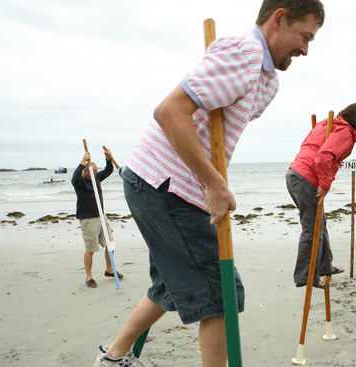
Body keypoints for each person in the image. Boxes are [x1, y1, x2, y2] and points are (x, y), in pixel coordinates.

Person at [92, 1, 325, 366]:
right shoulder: (244, 54)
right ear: (279, 18)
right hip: (164, 184)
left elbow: (214, 117)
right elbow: (169, 110)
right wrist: (215, 184)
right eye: (304, 36)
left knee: (169, 283)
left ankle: (114, 357)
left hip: (160, 183)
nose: (306, 49)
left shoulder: (266, 78)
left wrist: (210, 183)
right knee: (221, 292)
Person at [286, 103, 356, 288]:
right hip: (306, 178)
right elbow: (323, 157)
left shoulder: (327, 125)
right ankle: (305, 277)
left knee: (319, 224)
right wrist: (325, 184)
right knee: (312, 230)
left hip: (295, 175)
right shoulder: (344, 131)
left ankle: (324, 266)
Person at [71, 149, 123, 288]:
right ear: (85, 172)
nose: (95, 174)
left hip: (102, 217)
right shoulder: (80, 182)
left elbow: (108, 170)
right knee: (91, 249)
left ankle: (109, 269)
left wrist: (108, 158)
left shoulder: (97, 178)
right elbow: (74, 177)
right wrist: (83, 161)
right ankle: (89, 276)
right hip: (88, 220)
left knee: (110, 244)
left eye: (95, 171)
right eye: (91, 172)